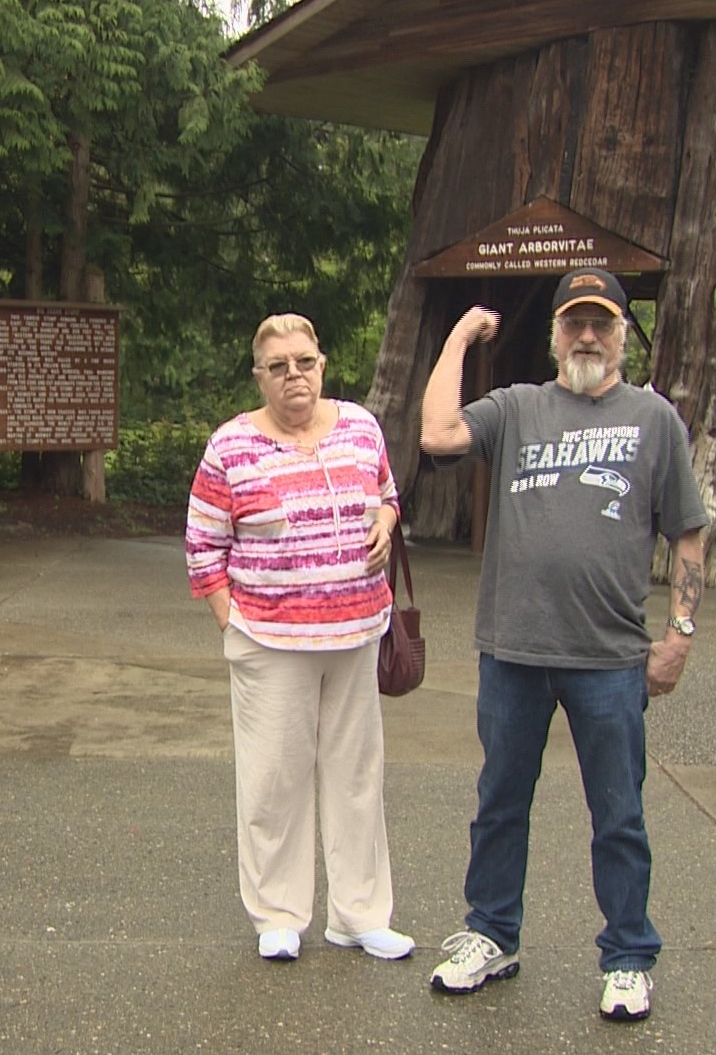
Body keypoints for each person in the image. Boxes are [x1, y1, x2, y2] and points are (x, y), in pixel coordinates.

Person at [417, 267, 708, 1021]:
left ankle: (629, 956)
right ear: (553, 335)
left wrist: (679, 633)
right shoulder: (517, 408)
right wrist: (457, 336)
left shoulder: (654, 420)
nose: (587, 336)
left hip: (610, 659)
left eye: (602, 324)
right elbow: (437, 434)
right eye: (574, 323)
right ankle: (491, 935)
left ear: (620, 335)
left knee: (618, 814)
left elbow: (688, 533)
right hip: (513, 650)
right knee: (500, 803)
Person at [185, 313, 415, 964]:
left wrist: (386, 519)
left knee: (356, 778)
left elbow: (388, 491)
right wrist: (236, 624)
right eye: (279, 366)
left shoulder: (361, 426)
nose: (295, 376)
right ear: (260, 376)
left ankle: (360, 915)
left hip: (357, 633)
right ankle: (279, 915)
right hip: (270, 642)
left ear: (322, 364)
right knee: (274, 781)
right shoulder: (231, 446)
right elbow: (203, 546)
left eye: (305, 362)